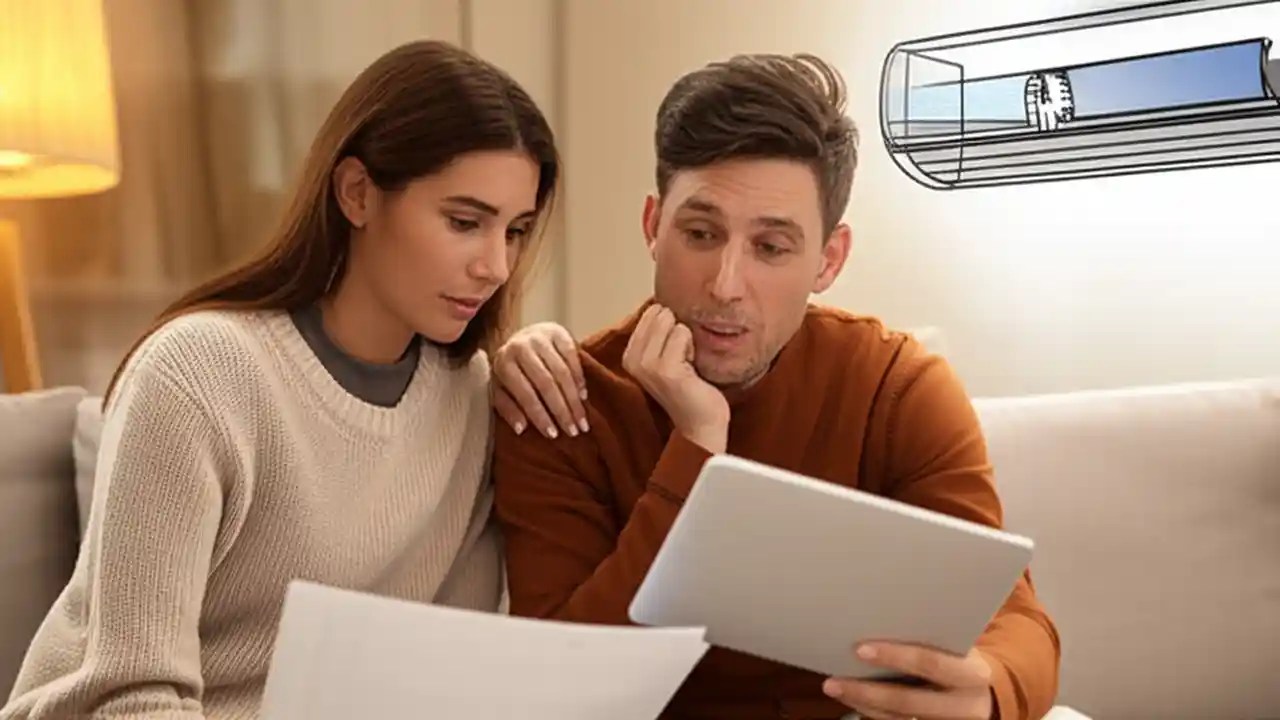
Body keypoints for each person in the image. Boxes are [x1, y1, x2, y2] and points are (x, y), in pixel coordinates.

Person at [2, 40, 582, 720]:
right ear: (357, 194)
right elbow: (128, 697)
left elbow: (440, 685)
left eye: (515, 231)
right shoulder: (198, 375)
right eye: (464, 222)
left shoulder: (471, 400)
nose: (495, 266)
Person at [490, 53, 1061, 720]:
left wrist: (990, 687)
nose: (726, 284)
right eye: (700, 234)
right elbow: (565, 683)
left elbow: (1013, 617)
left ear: (829, 258)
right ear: (653, 227)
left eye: (772, 247)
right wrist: (697, 446)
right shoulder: (559, 399)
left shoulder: (895, 386)